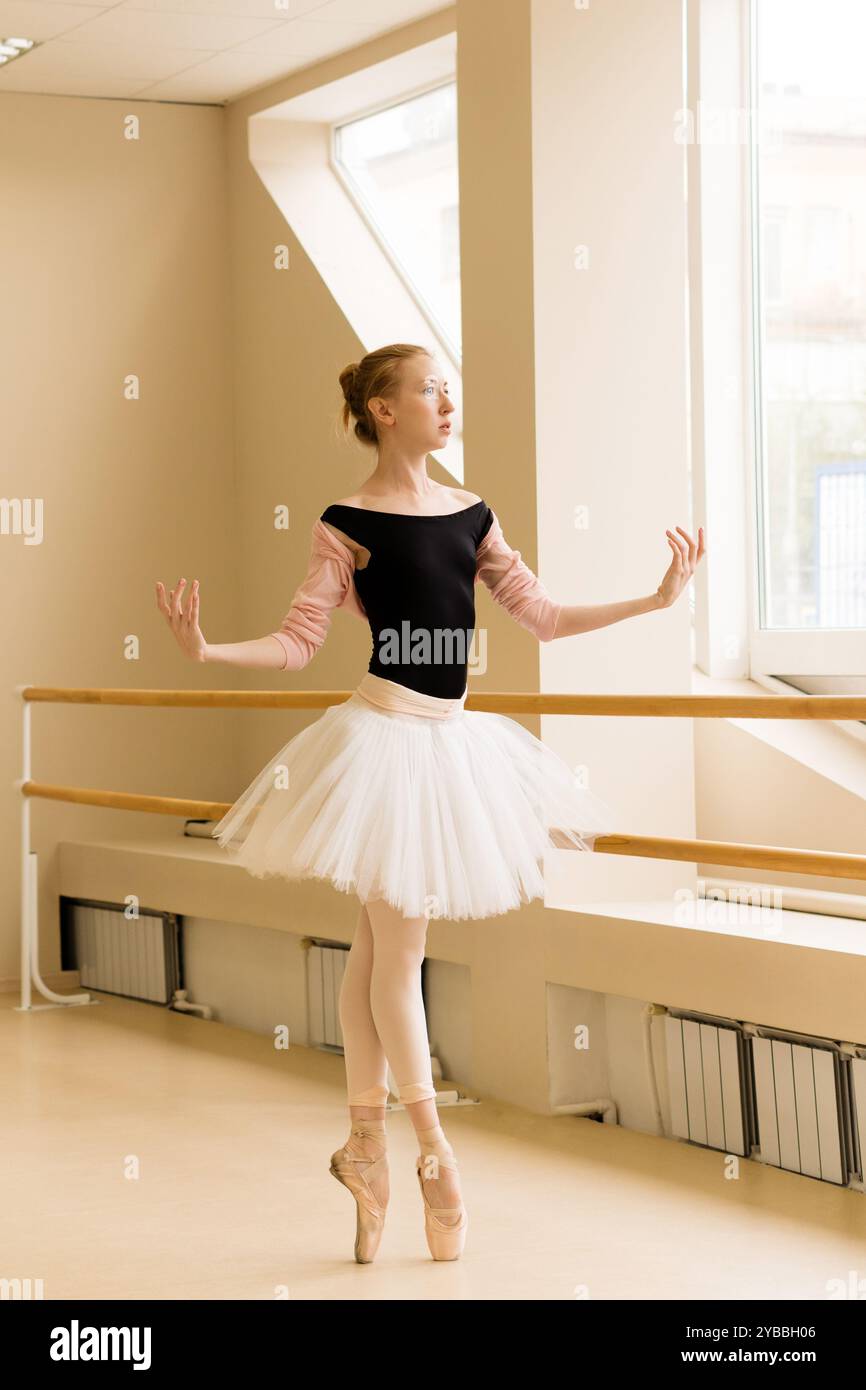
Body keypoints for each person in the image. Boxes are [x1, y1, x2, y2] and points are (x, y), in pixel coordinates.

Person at [156, 342, 705, 1265]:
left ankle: (367, 1149)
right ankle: (434, 1154)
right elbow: (298, 642)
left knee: (378, 951)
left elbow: (543, 615)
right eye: (430, 391)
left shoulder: (470, 512)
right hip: (382, 740)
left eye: (451, 390)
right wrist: (210, 653)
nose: (448, 403)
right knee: (396, 954)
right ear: (382, 409)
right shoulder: (347, 521)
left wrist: (654, 602)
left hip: (451, 742)